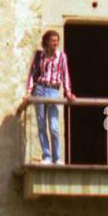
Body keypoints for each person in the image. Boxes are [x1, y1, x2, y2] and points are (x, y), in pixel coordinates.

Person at [22, 29, 74, 164]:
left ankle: (57, 157)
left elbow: (65, 75)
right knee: (41, 125)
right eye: (53, 41)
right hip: (40, 89)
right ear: (46, 42)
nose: (55, 43)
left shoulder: (62, 57)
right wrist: (28, 91)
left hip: (53, 91)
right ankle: (47, 156)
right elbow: (33, 75)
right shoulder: (39, 56)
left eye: (57, 41)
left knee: (54, 126)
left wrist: (68, 91)